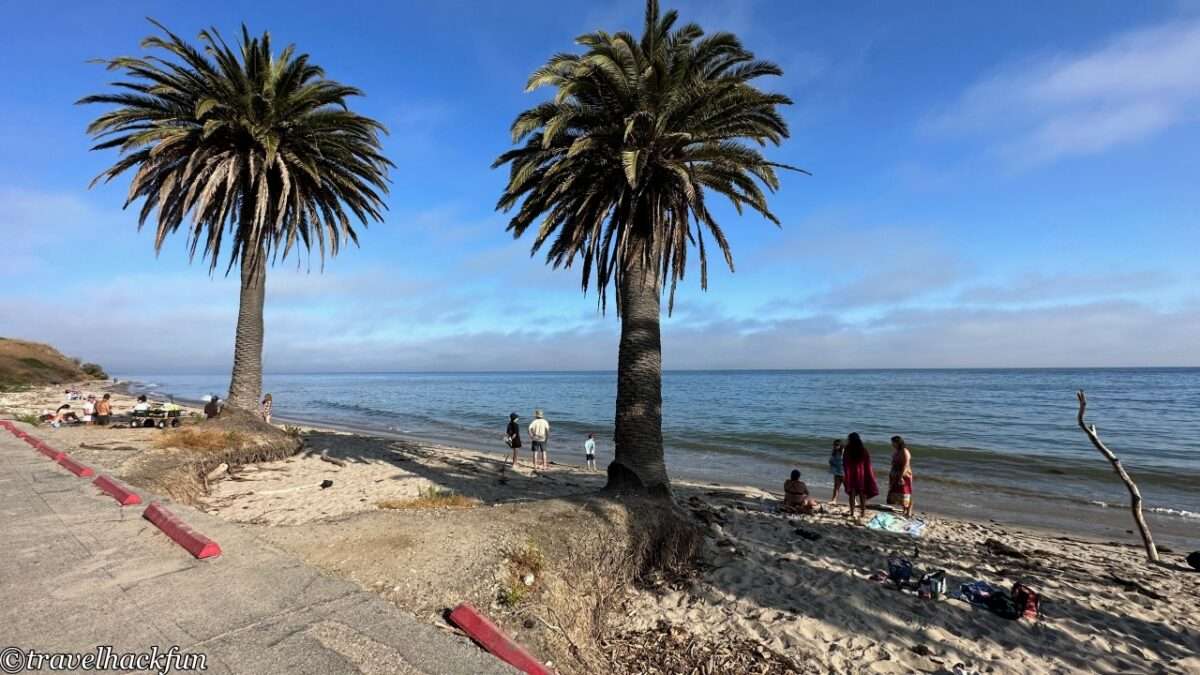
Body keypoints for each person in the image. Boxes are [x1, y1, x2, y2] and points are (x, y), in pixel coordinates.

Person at [843, 432, 879, 522]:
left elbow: (844, 462)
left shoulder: (847, 449)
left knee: (852, 494)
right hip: (861, 474)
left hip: (851, 474)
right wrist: (869, 474)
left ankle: (852, 512)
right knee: (862, 494)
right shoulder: (863, 450)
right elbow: (868, 463)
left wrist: (845, 473)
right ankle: (862, 512)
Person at [888, 435, 914, 518]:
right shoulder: (896, 451)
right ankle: (904, 510)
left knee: (907, 493)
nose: (892, 444)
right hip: (896, 474)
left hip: (904, 475)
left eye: (893, 442)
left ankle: (909, 511)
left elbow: (905, 465)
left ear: (898, 443)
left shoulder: (904, 451)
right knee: (901, 494)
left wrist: (900, 477)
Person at [829, 438, 845, 504]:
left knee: (848, 487)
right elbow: (831, 460)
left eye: (836, 445)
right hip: (837, 471)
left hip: (844, 472)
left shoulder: (844, 452)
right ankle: (834, 500)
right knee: (836, 487)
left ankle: (855, 501)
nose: (835, 446)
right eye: (834, 445)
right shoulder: (835, 452)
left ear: (840, 445)